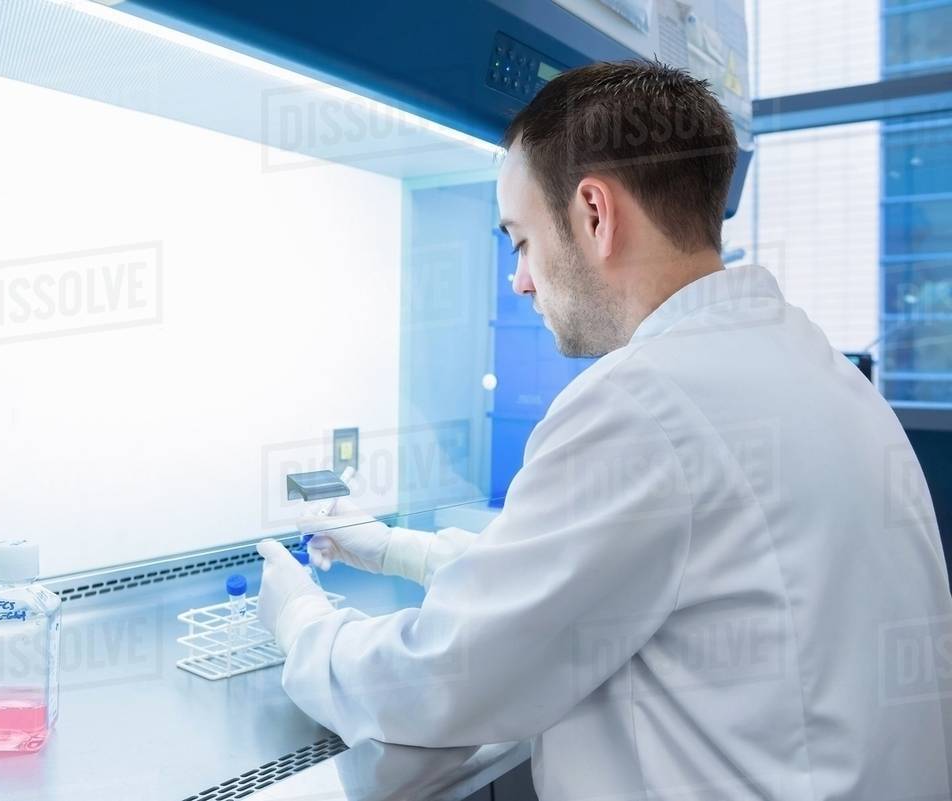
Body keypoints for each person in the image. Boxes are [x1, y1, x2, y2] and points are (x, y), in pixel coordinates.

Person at [256, 60, 952, 800]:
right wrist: (401, 550)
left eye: (521, 241)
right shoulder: (810, 364)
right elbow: (605, 573)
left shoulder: (646, 402)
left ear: (594, 213)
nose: (520, 279)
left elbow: (443, 677)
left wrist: (301, 623)